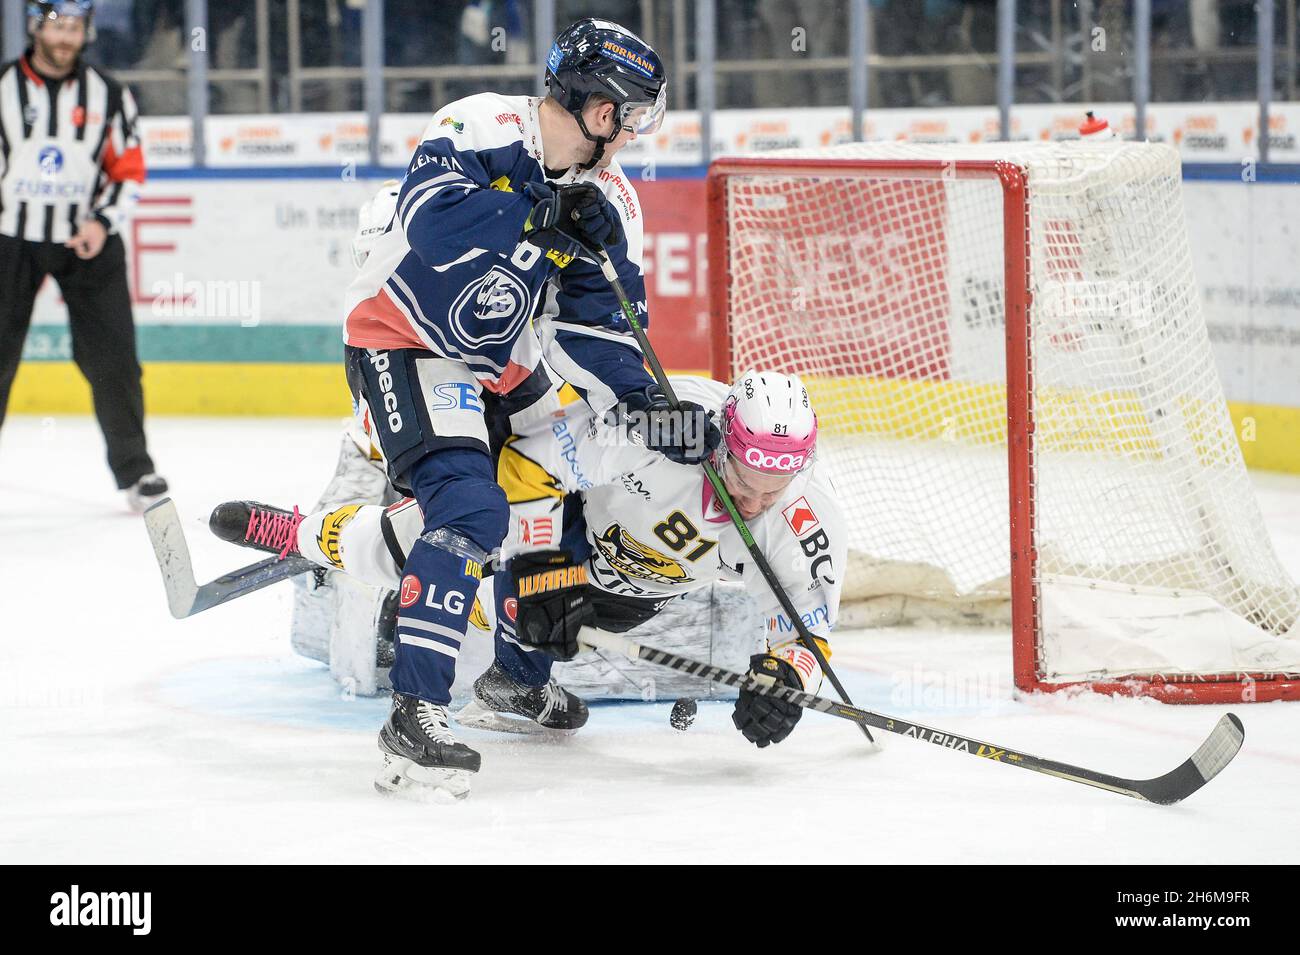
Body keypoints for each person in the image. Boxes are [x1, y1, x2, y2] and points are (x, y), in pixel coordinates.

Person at [301, 18, 719, 799]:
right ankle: (415, 712)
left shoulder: (606, 200)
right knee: (469, 507)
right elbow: (431, 224)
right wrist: (539, 210)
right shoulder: (483, 125)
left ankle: (513, 673)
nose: (631, 138)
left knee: (558, 477)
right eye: (630, 118)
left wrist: (650, 409)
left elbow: (598, 331)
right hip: (404, 339)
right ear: (600, 110)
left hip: (499, 367)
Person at [212, 370, 845, 763]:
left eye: (773, 490)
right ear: (721, 442)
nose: (754, 503)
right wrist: (543, 563)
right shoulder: (658, 426)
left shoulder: (806, 517)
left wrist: (786, 678)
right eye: (743, 480)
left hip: (631, 593)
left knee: (512, 612)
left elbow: (808, 629)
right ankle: (300, 534)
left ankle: (516, 678)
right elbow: (534, 461)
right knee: (425, 543)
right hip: (564, 514)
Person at [0, 0, 165, 510]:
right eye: (57, 25)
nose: (66, 36)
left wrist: (102, 221)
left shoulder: (108, 93)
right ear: (36, 27)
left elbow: (129, 167)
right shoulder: (3, 87)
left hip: (87, 238)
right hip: (8, 238)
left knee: (114, 357)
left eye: (75, 27)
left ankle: (136, 471)